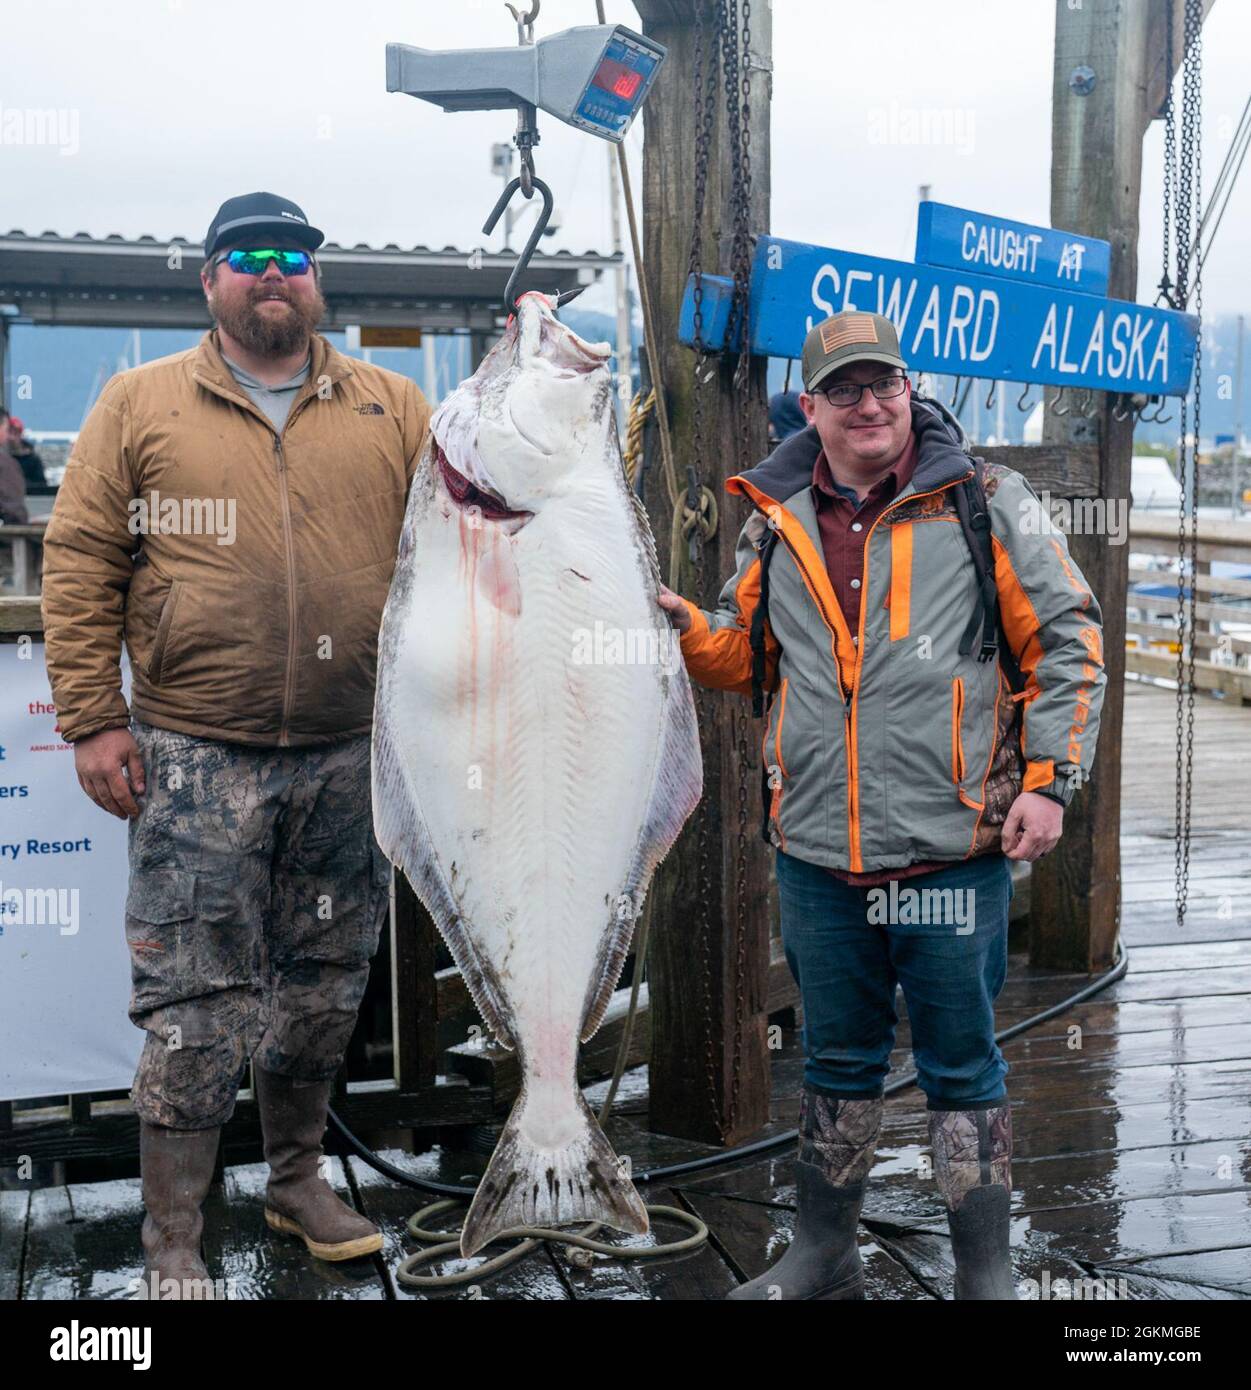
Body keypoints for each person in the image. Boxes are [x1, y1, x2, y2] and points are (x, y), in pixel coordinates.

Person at [658, 309, 1106, 1301]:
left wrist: (1048, 781)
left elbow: (1067, 640)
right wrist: (692, 630)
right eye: (846, 389)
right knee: (838, 1053)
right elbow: (747, 654)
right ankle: (823, 1252)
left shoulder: (989, 500)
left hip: (951, 851)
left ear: (910, 390)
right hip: (816, 851)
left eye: (886, 384)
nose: (870, 405)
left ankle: (984, 1267)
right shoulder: (772, 516)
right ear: (809, 405)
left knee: (961, 1059)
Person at [40, 192, 432, 1297]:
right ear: (209, 280)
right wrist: (94, 717)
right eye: (250, 257)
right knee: (193, 1006)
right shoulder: (139, 401)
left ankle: (296, 1180)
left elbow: (458, 544)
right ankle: (174, 1235)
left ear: (318, 280)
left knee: (322, 985)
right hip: (195, 754)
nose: (276, 273)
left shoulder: (391, 404)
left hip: (347, 753)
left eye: (295, 257)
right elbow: (78, 562)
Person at [0, 406, 30, 524]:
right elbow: (13, 506)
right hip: (7, 535)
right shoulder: (6, 464)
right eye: (7, 430)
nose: (9, 437)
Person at [7, 415, 47, 488]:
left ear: (21, 435)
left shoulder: (33, 460)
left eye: (15, 433)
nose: (12, 438)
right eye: (9, 433)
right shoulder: (3, 458)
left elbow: (42, 485)